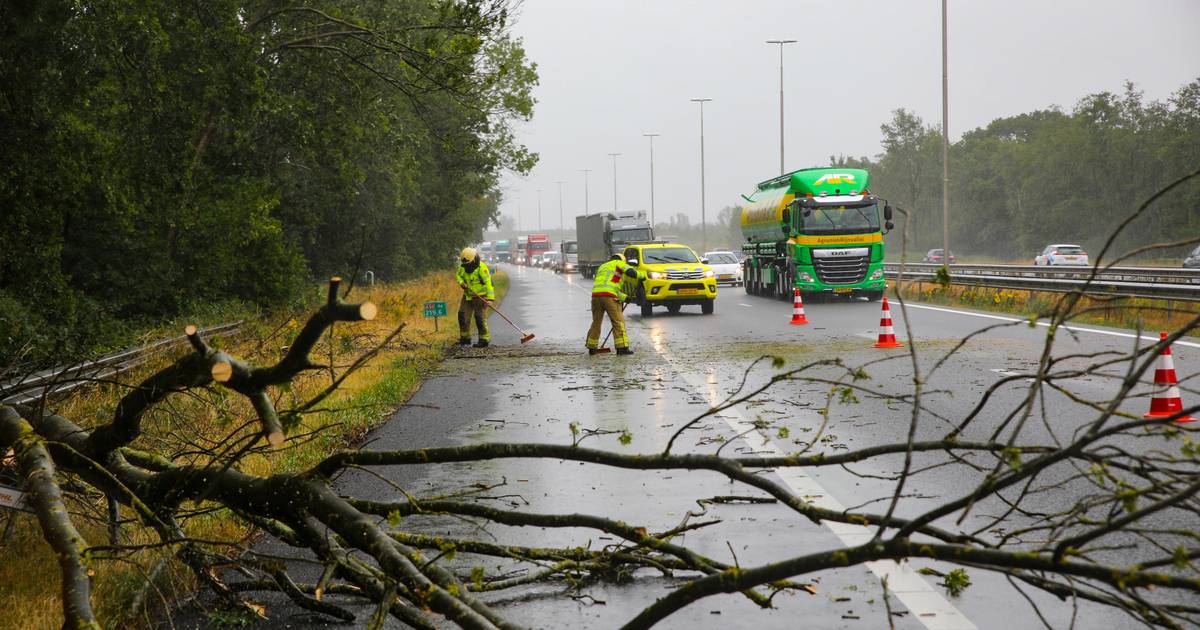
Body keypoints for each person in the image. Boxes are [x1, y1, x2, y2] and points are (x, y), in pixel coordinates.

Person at [586, 253, 643, 356]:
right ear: (622, 260)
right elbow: (631, 272)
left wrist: (625, 297)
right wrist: (641, 276)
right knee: (618, 321)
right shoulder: (619, 263)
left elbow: (611, 287)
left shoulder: (603, 267)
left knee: (596, 322)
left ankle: (592, 347)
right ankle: (622, 349)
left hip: (595, 296)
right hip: (608, 297)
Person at [456, 247, 494, 348]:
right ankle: (465, 339)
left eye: (468, 264)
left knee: (479, 318)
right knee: (462, 315)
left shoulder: (482, 268)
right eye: (465, 264)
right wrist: (461, 282)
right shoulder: (463, 266)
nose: (466, 266)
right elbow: (458, 276)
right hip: (468, 296)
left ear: (474, 260)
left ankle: (484, 339)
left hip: (480, 297)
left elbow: (489, 284)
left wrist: (490, 299)